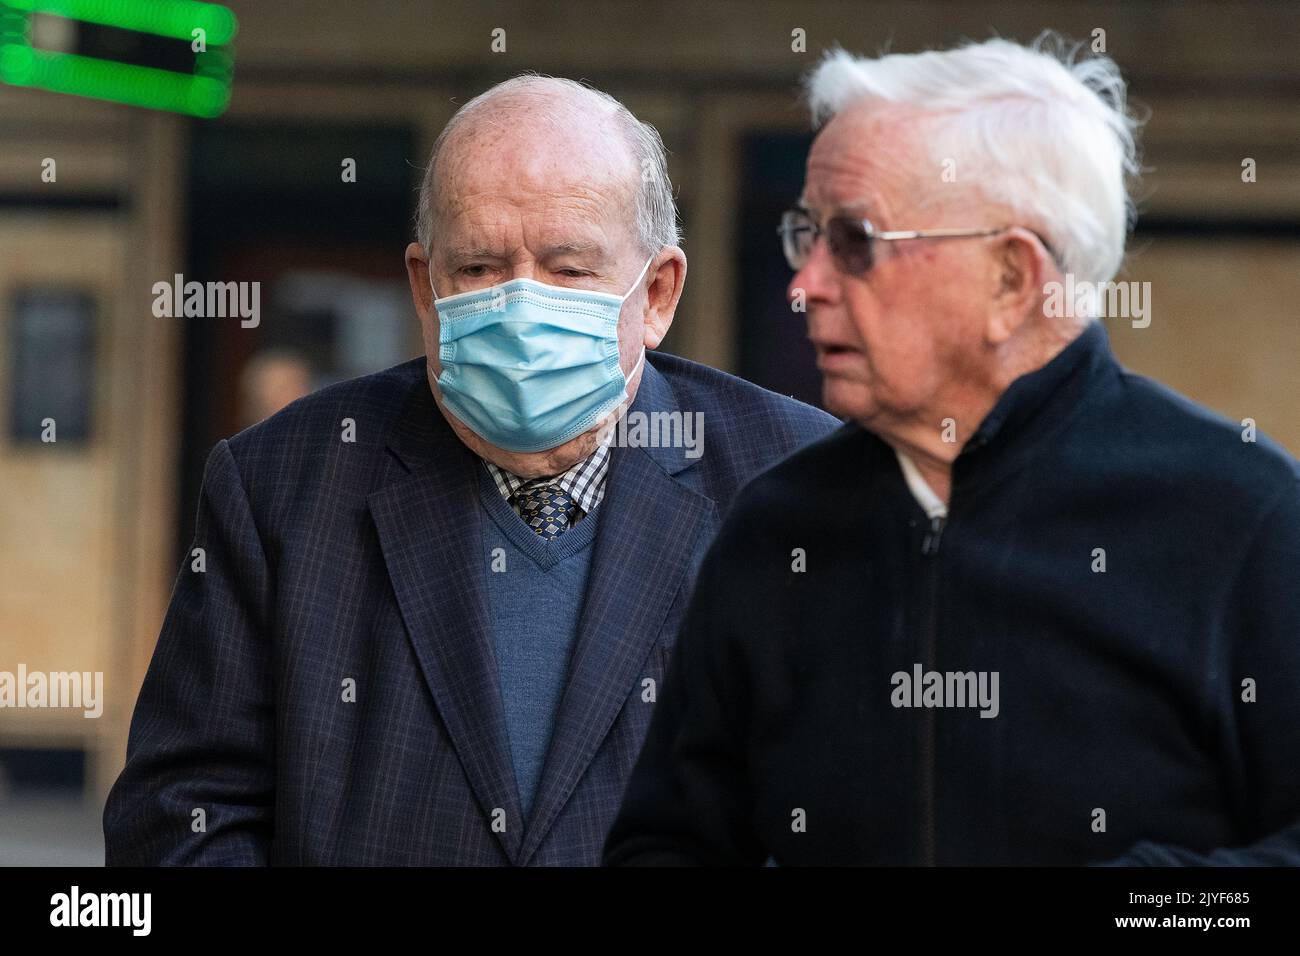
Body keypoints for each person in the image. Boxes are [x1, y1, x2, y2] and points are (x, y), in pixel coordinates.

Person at [103, 75, 838, 865]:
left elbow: (857, 809)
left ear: (656, 293)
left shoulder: (797, 485)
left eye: (569, 269)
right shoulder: (282, 485)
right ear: (425, 287)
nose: (523, 308)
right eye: (481, 268)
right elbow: (181, 822)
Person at [603, 35, 1300, 866]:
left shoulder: (1245, 518)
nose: (806, 284)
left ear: (1012, 278)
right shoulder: (775, 527)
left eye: (855, 241)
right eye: (806, 236)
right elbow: (664, 846)